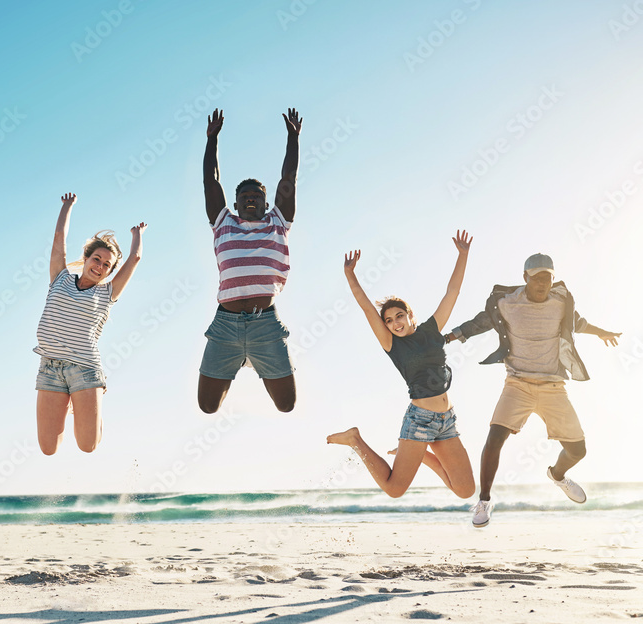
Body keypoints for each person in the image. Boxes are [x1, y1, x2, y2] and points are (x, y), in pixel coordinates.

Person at [445, 253, 621, 527]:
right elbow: (481, 322)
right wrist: (450, 335)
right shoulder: (508, 302)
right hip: (518, 384)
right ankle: (485, 501)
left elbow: (578, 322)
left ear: (553, 278)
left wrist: (602, 333)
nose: (542, 283)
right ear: (525, 277)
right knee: (494, 438)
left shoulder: (561, 303)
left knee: (578, 450)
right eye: (536, 277)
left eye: (547, 278)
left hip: (554, 387)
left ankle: (557, 476)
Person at [327, 232, 476, 500]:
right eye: (389, 320)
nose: (395, 323)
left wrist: (462, 254)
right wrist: (350, 274)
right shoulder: (391, 344)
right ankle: (355, 440)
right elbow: (365, 307)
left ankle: (425, 458)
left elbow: (452, 291)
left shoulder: (431, 330)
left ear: (409, 316)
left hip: (447, 419)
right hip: (420, 421)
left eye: (399, 316)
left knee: (466, 491)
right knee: (394, 489)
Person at [197, 108, 301, 414]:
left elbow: (289, 178)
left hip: (265, 324)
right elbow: (209, 180)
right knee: (207, 407)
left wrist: (293, 138)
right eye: (244, 196)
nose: (250, 198)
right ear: (235, 203)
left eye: (256, 195)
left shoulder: (278, 221)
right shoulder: (222, 222)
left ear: (267, 204)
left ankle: (253, 354)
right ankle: (238, 357)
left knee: (286, 405)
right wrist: (211, 140)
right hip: (225, 326)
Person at [34, 193, 145, 454]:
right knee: (48, 448)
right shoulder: (59, 277)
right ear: (86, 258)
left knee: (88, 445)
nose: (100, 266)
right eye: (97, 259)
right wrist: (66, 206)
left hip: (85, 369)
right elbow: (58, 240)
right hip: (50, 367)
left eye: (107, 265)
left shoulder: (107, 293)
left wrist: (137, 234)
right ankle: (74, 402)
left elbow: (135, 259)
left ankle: (93, 404)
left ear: (110, 271)